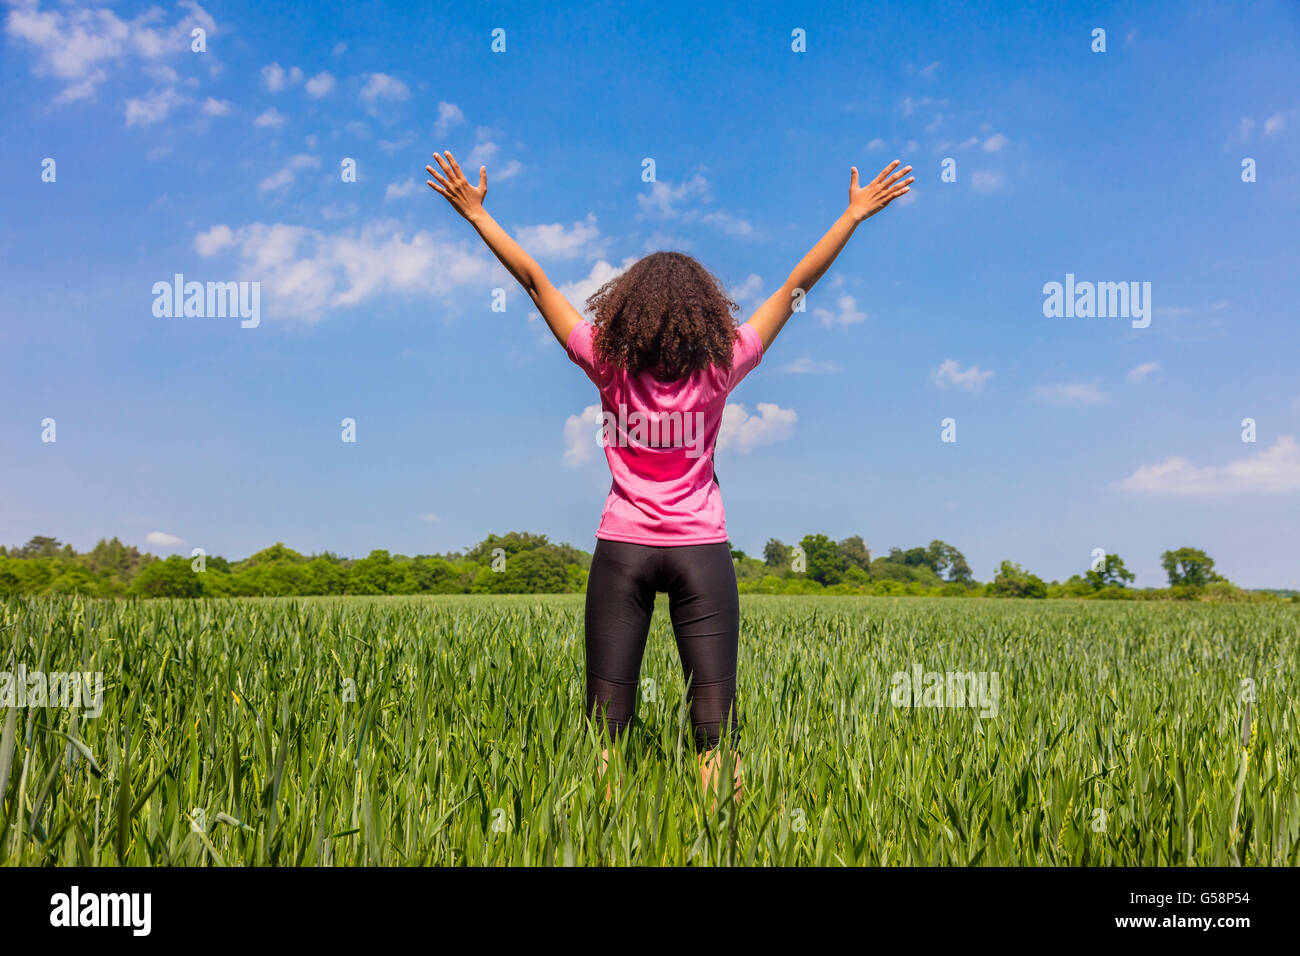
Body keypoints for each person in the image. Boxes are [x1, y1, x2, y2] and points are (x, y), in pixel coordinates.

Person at [426, 150, 912, 802]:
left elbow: (535, 282)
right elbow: (798, 286)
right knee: (715, 730)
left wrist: (476, 213)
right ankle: (726, 845)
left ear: (628, 309)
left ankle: (603, 843)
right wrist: (853, 216)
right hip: (700, 552)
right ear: (703, 310)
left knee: (607, 727)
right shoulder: (725, 363)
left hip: (623, 548)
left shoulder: (606, 360)